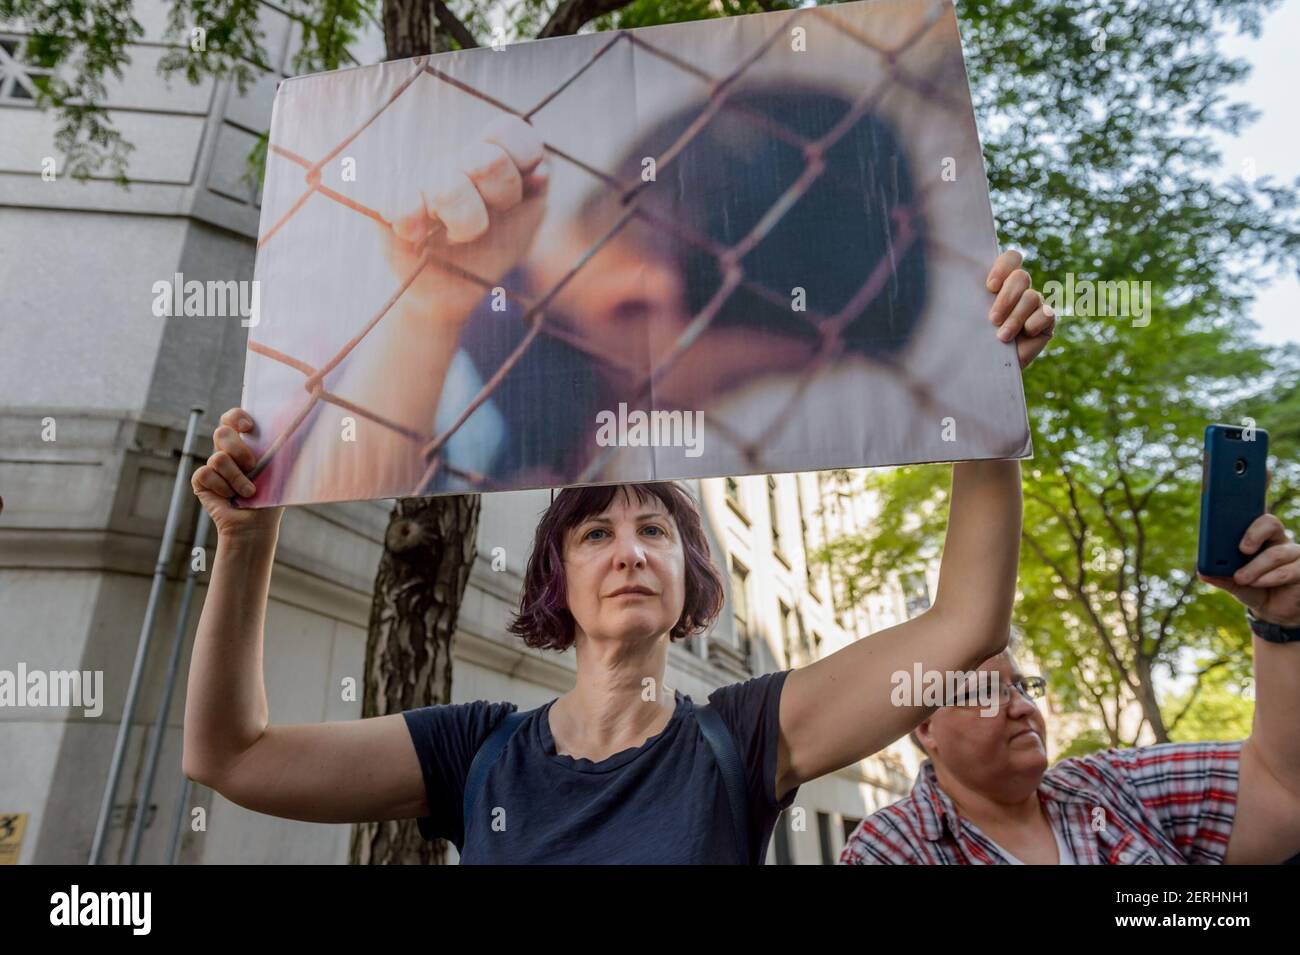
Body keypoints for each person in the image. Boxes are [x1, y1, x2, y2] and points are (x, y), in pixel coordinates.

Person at [182, 248, 1056, 863]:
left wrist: (986, 402)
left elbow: (966, 621)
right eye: (596, 532)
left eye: (657, 530)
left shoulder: (745, 736)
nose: (630, 550)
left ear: (690, 577)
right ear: (556, 577)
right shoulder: (474, 750)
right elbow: (232, 756)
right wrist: (246, 538)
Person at [249, 85, 959, 504]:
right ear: (639, 304)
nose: (711, 409)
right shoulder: (469, 389)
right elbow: (329, 504)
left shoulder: (564, 402)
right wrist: (427, 315)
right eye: (743, 379)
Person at [839, 512, 1300, 865]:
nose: (1020, 707)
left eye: (1022, 687)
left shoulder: (1110, 788)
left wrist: (1280, 623)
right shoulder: (891, 848)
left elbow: (1282, 790)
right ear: (925, 727)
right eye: (985, 692)